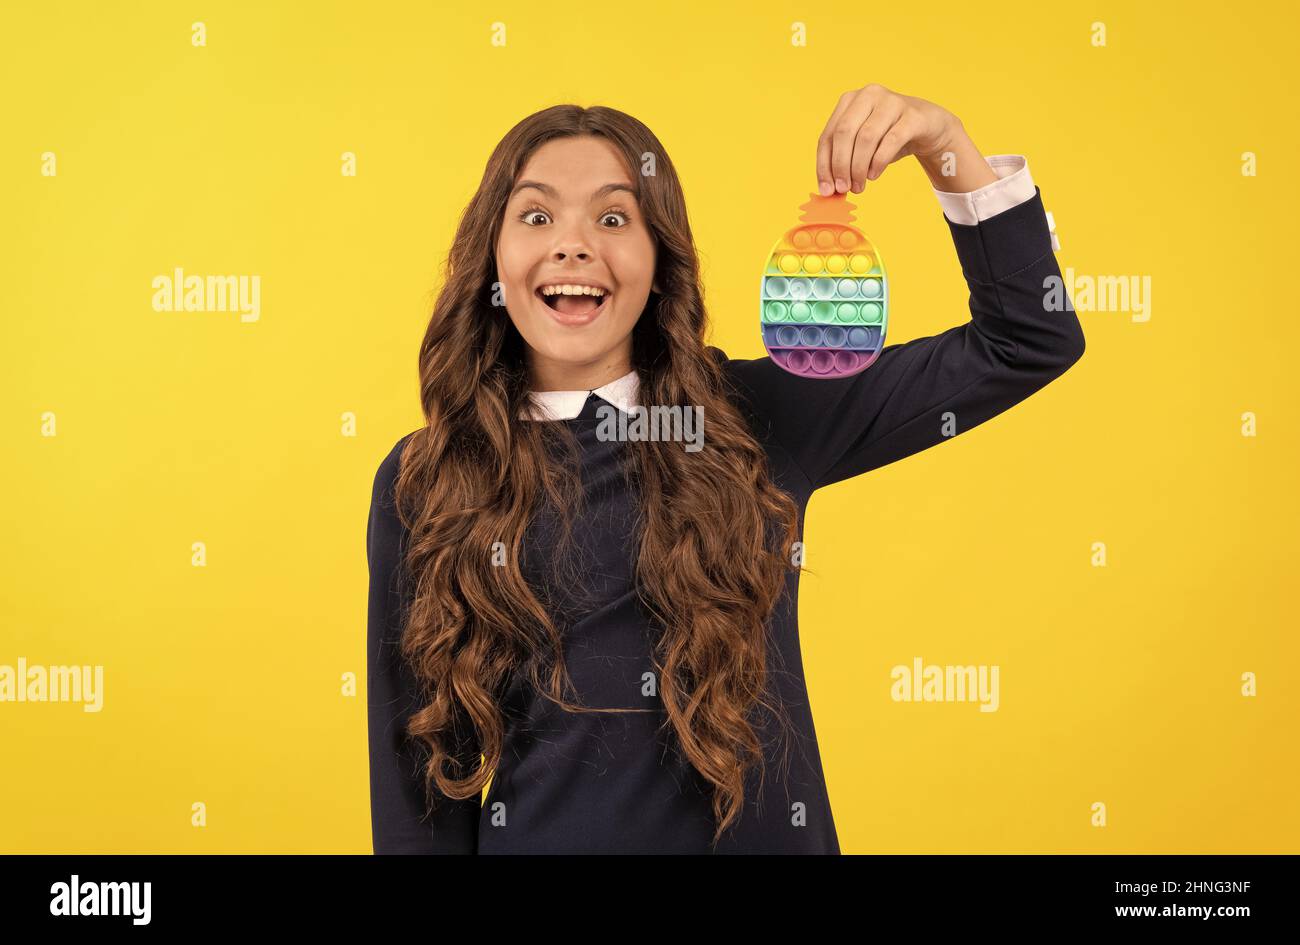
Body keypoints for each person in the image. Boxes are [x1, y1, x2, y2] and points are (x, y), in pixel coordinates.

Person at [367, 86, 1085, 854]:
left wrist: (944, 142)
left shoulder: (758, 418)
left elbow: (1026, 339)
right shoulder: (426, 477)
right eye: (537, 216)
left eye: (614, 218)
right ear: (494, 259)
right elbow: (416, 779)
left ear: (660, 261)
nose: (573, 244)